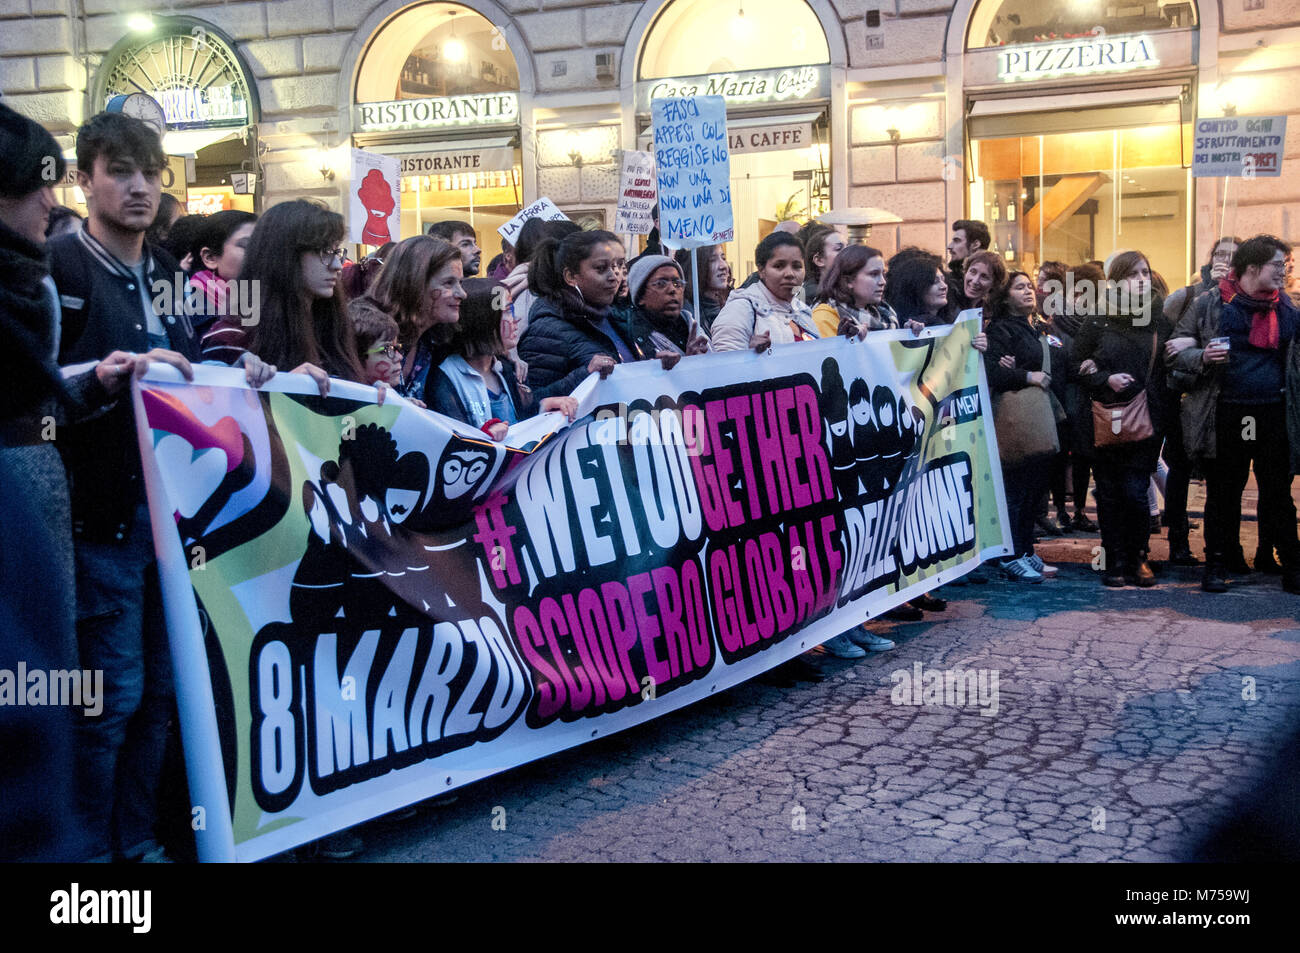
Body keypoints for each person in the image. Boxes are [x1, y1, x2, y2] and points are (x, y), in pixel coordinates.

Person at [47, 110, 201, 863]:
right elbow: (31, 390)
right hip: (96, 520)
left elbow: (199, 373)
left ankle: (139, 842)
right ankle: (84, 856)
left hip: (172, 522)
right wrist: (100, 378)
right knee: (111, 702)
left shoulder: (170, 274)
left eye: (149, 171)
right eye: (119, 171)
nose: (139, 187)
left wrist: (255, 381)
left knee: (164, 700)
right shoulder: (59, 269)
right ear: (85, 180)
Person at [1168, 234, 1300, 594]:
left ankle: (1293, 566)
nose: (1284, 271)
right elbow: (1174, 353)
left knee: (1277, 493)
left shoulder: (1286, 309)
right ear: (1253, 268)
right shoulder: (1210, 304)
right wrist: (1201, 356)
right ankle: (1216, 565)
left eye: (1285, 264)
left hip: (1274, 413)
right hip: (1227, 412)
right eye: (1278, 264)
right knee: (1224, 492)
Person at [1073, 251, 1168, 587]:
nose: (1141, 279)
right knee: (1110, 492)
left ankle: (1139, 557)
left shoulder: (1160, 319)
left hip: (1146, 421)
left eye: (1145, 272)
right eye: (1132, 274)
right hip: (1104, 421)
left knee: (1134, 490)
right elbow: (1074, 365)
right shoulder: (1099, 319)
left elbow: (1167, 370)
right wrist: (1103, 379)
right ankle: (1113, 559)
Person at [1161, 237, 1240, 565]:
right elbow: (1169, 347)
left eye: (1232, 257)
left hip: (1224, 400)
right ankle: (1178, 541)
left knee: (1220, 476)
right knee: (1179, 470)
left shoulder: (1240, 300)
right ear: (1210, 259)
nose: (1225, 261)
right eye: (1220, 254)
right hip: (1186, 397)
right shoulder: (1188, 296)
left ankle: (1220, 549)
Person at [427, 285, 578, 439]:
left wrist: (545, 405)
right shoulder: (445, 378)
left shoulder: (505, 369)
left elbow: (520, 417)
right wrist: (484, 436)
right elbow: (449, 440)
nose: (516, 319)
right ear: (482, 321)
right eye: (507, 311)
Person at [983, 271, 1056, 582]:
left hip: (1035, 417)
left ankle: (1025, 549)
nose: (1028, 292)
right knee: (1015, 490)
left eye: (1029, 286)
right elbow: (993, 373)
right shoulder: (1000, 329)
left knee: (1031, 490)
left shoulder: (1033, 326)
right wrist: (1026, 376)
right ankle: (1010, 555)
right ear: (1005, 295)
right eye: (1019, 287)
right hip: (1014, 419)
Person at [516, 229, 642, 393]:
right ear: (571, 276)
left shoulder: (617, 317)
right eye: (601, 268)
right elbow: (532, 404)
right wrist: (585, 374)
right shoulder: (546, 331)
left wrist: (655, 365)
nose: (615, 276)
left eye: (619, 264)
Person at [344, 234, 465, 402]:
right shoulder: (362, 327)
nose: (462, 294)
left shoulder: (434, 340)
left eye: (460, 283)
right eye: (448, 283)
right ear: (415, 282)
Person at [711, 231, 819, 352]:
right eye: (779, 266)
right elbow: (725, 365)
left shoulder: (803, 311)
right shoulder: (739, 310)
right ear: (761, 270)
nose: (790, 274)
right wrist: (748, 355)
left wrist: (841, 343)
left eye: (797, 266)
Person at [186, 209, 256, 336]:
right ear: (210, 258)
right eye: (247, 246)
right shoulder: (186, 311)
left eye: (263, 246)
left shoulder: (266, 303)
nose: (260, 254)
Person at [626, 254, 710, 356]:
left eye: (677, 284)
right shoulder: (630, 338)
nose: (672, 290)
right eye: (661, 283)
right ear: (640, 297)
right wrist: (689, 363)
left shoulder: (691, 326)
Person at [884, 250, 953, 329]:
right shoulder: (908, 326)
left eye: (943, 280)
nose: (944, 286)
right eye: (935, 282)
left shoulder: (951, 319)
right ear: (916, 289)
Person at [678, 243, 732, 334]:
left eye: (723, 258)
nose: (723, 266)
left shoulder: (731, 304)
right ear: (697, 266)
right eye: (712, 260)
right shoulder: (688, 315)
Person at [800, 224, 843, 305]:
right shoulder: (816, 294)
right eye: (838, 248)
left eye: (847, 246)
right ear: (819, 260)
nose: (848, 251)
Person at [946, 218, 990, 298]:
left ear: (975, 244)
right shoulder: (947, 283)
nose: (949, 246)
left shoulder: (996, 286)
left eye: (957, 241)